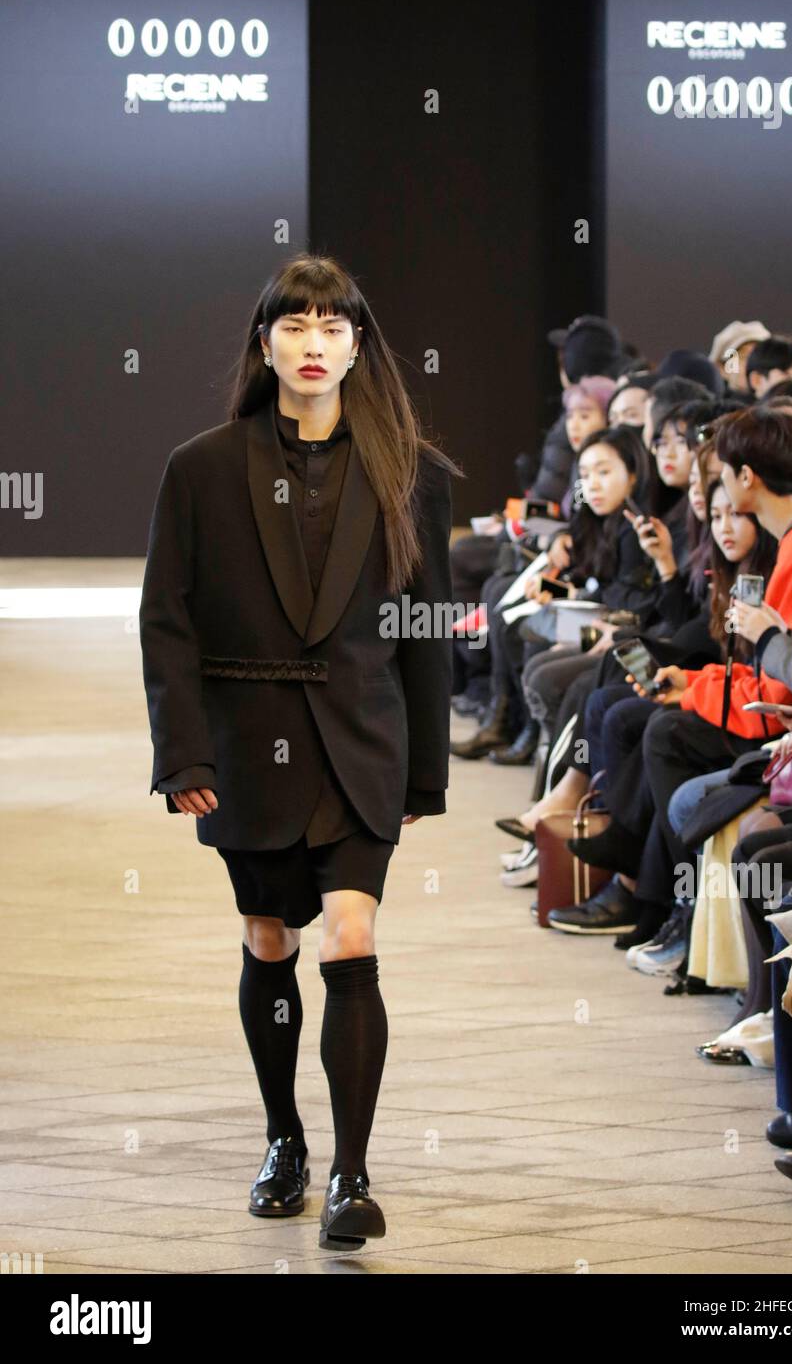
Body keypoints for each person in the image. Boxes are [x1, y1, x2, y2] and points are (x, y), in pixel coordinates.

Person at [139, 252, 460, 1251]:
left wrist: (427, 769)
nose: (313, 341)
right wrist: (182, 754)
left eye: (332, 325)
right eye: (294, 324)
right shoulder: (199, 468)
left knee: (351, 940)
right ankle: (283, 1137)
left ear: (358, 346)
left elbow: (424, 623)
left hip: (361, 739)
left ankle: (351, 1176)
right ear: (264, 342)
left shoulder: (410, 472)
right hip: (246, 748)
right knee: (268, 940)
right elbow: (168, 620)